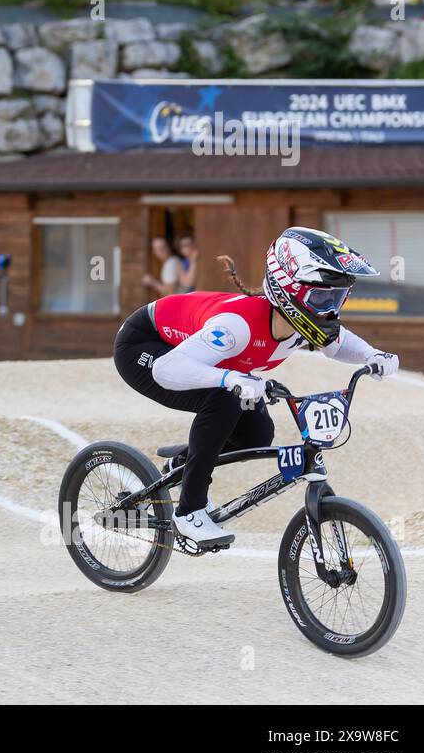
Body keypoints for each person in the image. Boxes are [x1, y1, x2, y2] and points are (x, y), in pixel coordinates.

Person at [113, 227, 397, 549]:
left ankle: (184, 463)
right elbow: (167, 370)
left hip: (201, 358)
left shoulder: (299, 323)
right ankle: (189, 512)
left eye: (338, 297)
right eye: (321, 297)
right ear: (289, 290)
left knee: (257, 435)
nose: (330, 310)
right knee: (223, 400)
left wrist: (372, 355)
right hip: (146, 346)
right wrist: (230, 379)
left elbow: (339, 343)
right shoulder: (238, 327)